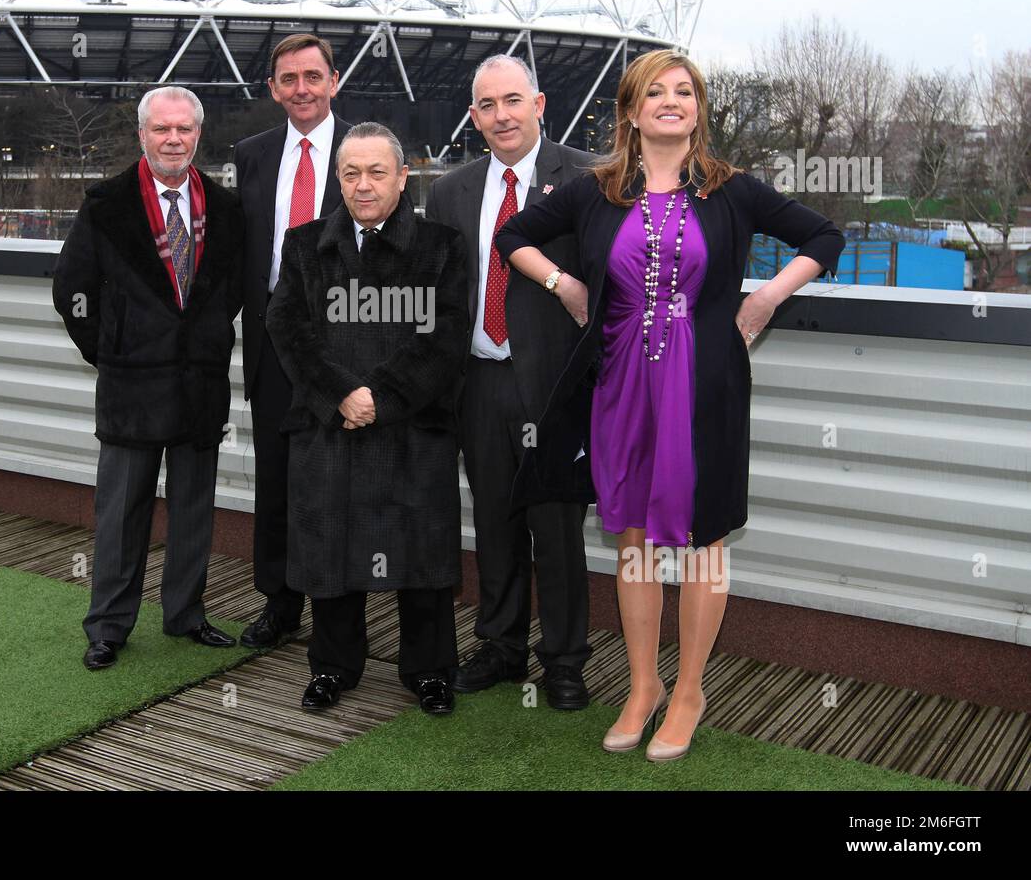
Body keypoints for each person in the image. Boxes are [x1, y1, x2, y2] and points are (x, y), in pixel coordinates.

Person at [496, 49, 845, 759]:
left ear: (698, 109)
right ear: (629, 109)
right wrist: (565, 285)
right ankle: (643, 686)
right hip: (619, 385)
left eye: (684, 91)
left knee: (702, 541)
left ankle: (690, 691)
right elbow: (513, 238)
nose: (671, 100)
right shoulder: (595, 193)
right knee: (633, 541)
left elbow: (823, 235)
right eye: (655, 90)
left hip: (704, 387)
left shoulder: (733, 190)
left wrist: (768, 296)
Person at [265, 122, 469, 715]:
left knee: (423, 550)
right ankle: (333, 666)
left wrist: (380, 397)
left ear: (403, 176)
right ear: (338, 177)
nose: (363, 185)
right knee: (331, 545)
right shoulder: (304, 245)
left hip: (412, 425)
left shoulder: (441, 246)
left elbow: (445, 336)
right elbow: (289, 329)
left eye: (377, 172)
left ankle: (430, 671)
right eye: (351, 173)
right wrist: (341, 395)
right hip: (331, 424)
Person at [53, 86, 244, 670]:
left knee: (193, 507)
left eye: (184, 129)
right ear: (143, 135)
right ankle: (109, 625)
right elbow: (73, 291)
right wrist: (111, 351)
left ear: (198, 136)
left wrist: (205, 338)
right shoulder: (107, 206)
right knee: (121, 513)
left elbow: (231, 289)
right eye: (162, 129)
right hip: (131, 387)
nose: (173, 139)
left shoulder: (225, 207)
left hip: (199, 385)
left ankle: (185, 613)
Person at [425, 55, 595, 710]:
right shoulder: (451, 190)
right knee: (493, 522)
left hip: (554, 386)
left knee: (556, 529)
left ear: (540, 104)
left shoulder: (585, 176)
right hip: (481, 381)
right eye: (488, 105)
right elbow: (442, 289)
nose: (501, 116)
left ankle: (564, 661)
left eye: (513, 101)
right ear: (474, 116)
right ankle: (499, 646)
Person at [234, 34, 353, 649]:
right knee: (276, 480)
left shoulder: (364, 149)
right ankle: (280, 605)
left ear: (334, 80)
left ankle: (340, 612)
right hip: (273, 345)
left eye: (313, 76)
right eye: (289, 79)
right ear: (273, 88)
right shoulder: (252, 155)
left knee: (337, 481)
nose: (301, 89)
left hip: (344, 348)